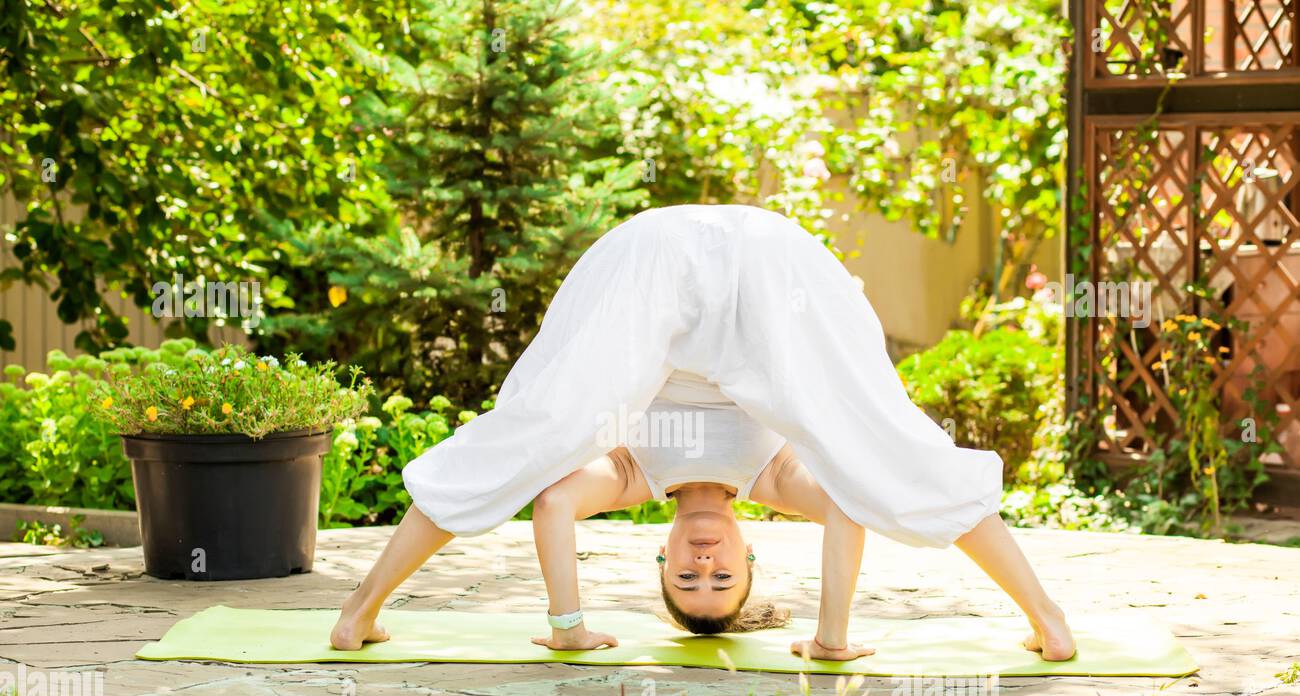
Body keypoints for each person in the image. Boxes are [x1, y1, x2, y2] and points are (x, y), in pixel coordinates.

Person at [330, 204, 1075, 662]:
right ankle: (1049, 619)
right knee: (881, 454)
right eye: (724, 578)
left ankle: (358, 611)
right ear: (752, 553)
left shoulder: (631, 476)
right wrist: (831, 638)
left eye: (688, 579)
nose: (706, 564)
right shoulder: (773, 481)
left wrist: (569, 625)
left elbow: (552, 503)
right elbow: (851, 499)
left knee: (530, 435)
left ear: (662, 556)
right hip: (772, 261)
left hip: (649, 260)